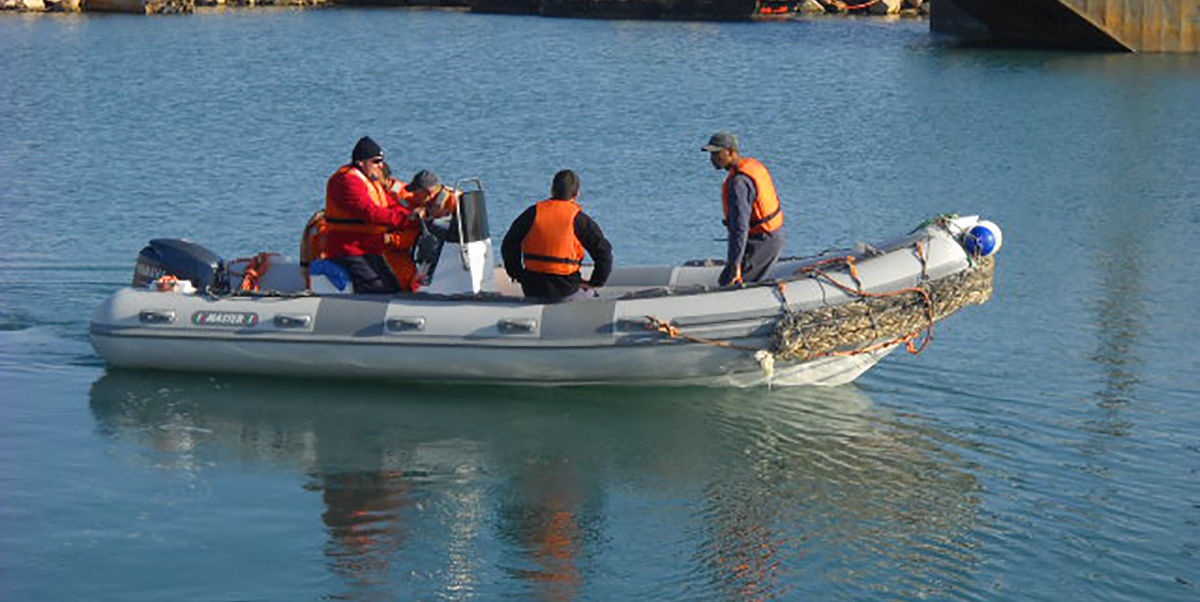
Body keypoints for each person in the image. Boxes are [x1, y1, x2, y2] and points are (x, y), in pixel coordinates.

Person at [324, 136, 424, 294]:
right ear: (361, 162)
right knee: (378, 290)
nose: (381, 166)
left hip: (370, 247)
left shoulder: (371, 181)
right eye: (376, 161)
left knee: (394, 288)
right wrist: (407, 219)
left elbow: (390, 205)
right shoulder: (347, 182)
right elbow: (369, 213)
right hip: (349, 249)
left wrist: (415, 216)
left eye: (382, 161)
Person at [501, 169, 612, 303]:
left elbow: (508, 245)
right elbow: (604, 254)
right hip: (566, 290)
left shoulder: (532, 214)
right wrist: (595, 283)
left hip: (532, 288)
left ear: (552, 190)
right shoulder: (579, 220)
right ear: (576, 195)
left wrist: (518, 274)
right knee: (593, 295)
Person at [702, 131, 786, 287]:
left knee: (732, 284)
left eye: (716, 154)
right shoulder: (748, 170)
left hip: (764, 240)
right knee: (726, 281)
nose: (712, 159)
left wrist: (735, 265)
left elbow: (740, 228)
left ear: (730, 152)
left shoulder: (739, 183)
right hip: (771, 235)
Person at [382, 169, 459, 291]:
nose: (414, 196)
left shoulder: (453, 200)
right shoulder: (424, 204)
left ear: (427, 192)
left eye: (417, 193)